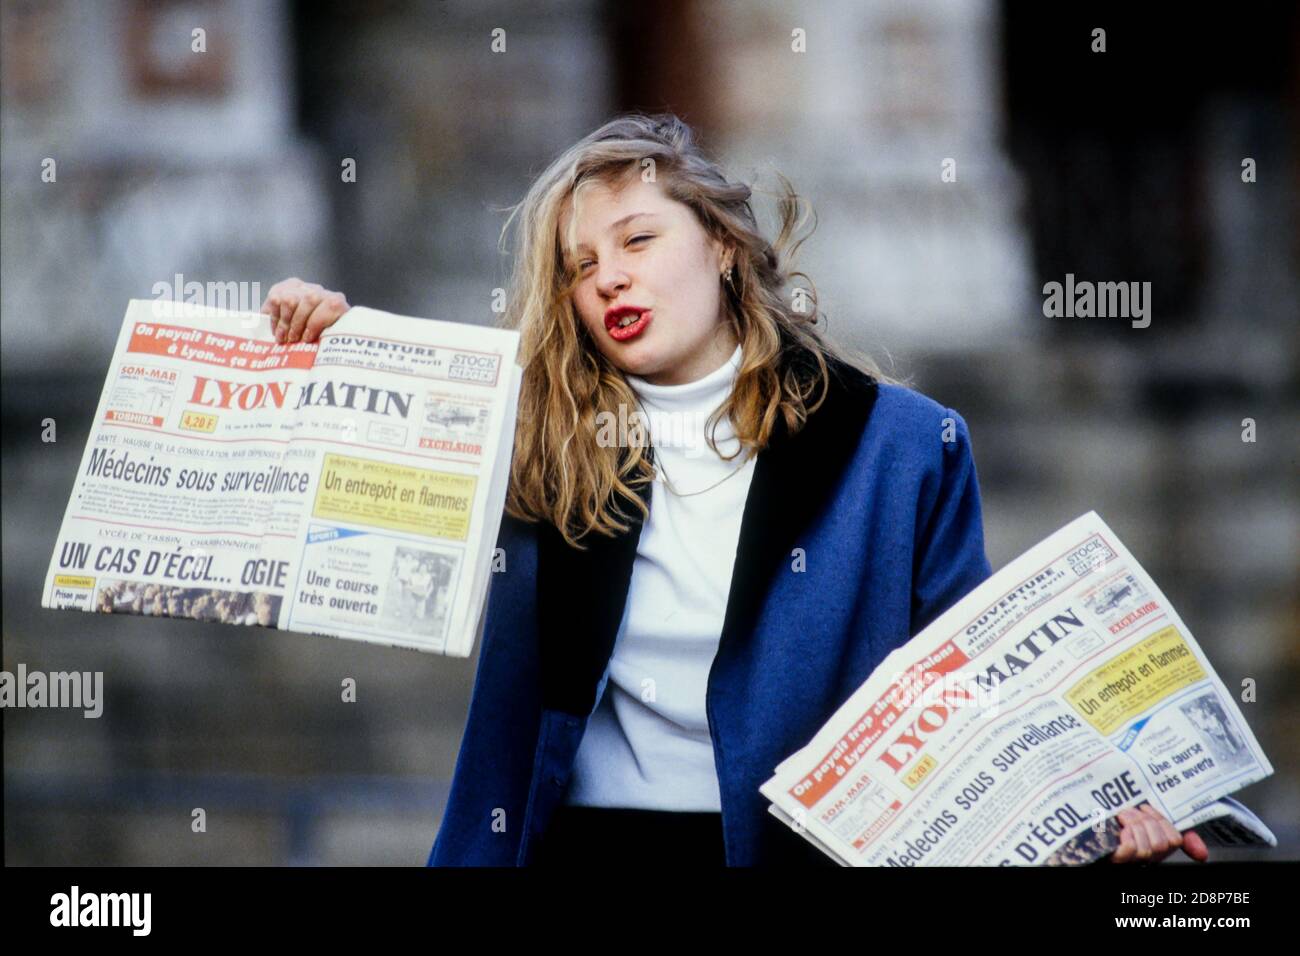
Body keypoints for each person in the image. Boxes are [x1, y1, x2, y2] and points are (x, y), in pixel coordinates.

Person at [260, 112, 1207, 867]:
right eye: (580, 266)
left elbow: (972, 682)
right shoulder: (532, 438)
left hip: (804, 853)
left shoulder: (902, 447)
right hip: (582, 849)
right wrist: (340, 347)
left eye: (637, 238)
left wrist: (1096, 807)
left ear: (720, 245)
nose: (609, 278)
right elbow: (348, 520)